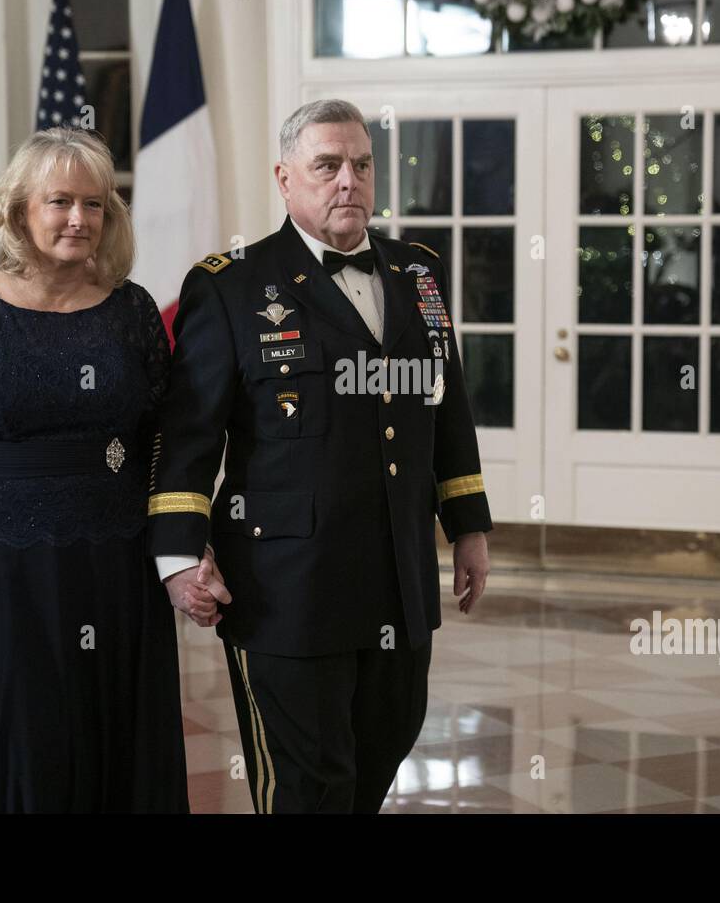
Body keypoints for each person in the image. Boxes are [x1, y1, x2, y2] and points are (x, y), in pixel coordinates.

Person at [148, 98, 492, 813]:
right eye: (327, 166)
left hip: (399, 576)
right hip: (285, 590)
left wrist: (469, 526)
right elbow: (189, 437)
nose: (348, 182)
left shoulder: (417, 272)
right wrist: (180, 558)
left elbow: (445, 406)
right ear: (285, 177)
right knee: (309, 788)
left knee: (377, 759)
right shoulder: (230, 284)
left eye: (361, 165)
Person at [0, 127, 218, 812]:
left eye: (95, 204)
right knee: (3, 742)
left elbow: (169, 448)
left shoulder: (133, 312)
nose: (80, 219)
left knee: (111, 742)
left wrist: (186, 549)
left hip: (114, 570)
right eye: (60, 202)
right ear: (18, 210)